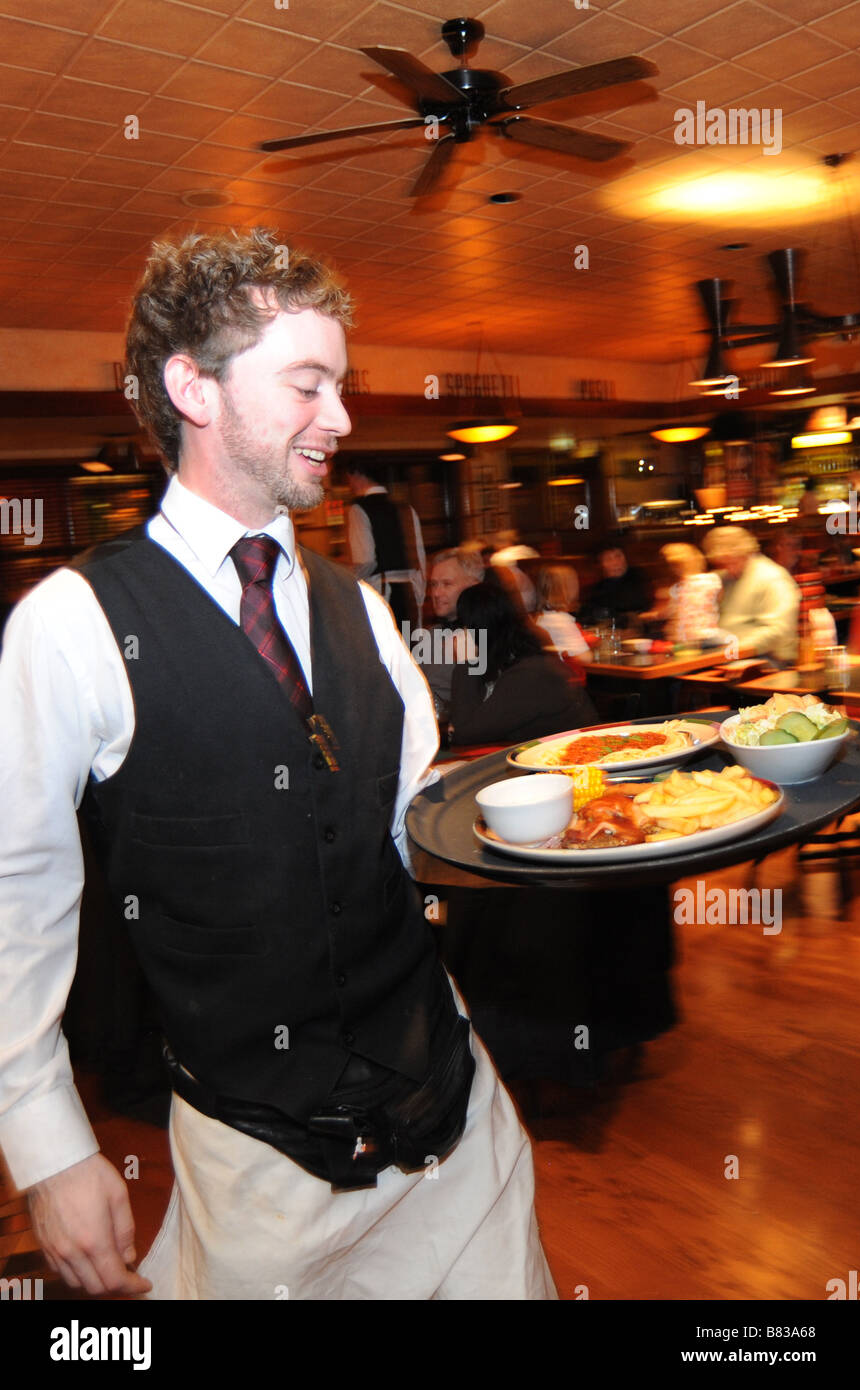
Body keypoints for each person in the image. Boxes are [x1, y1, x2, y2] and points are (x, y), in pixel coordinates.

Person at [0, 227, 555, 1301]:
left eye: (340, 384)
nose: (340, 417)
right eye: (307, 383)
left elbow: (420, 830)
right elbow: (13, 897)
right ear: (192, 388)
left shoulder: (359, 609)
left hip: (459, 1120)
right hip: (261, 1170)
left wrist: (580, 827)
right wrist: (46, 1139)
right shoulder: (70, 625)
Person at [449, 581, 597, 746]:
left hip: (575, 763)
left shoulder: (529, 675)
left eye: (464, 627)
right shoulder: (523, 661)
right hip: (557, 757)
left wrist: (468, 663)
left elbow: (465, 735)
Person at [343, 459, 425, 628]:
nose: (349, 483)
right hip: (410, 589)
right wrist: (420, 595)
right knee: (409, 646)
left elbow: (365, 561)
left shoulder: (358, 509)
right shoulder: (406, 508)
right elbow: (419, 555)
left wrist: (346, 581)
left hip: (382, 591)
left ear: (357, 474)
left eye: (349, 478)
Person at [702, 526, 801, 665]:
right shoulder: (725, 578)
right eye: (721, 563)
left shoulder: (772, 577)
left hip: (769, 661)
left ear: (746, 553)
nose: (727, 568)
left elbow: (778, 631)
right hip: (731, 657)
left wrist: (733, 650)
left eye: (731, 561)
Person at [415, 547, 484, 724]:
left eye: (447, 584)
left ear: (473, 588)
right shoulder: (430, 634)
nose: (436, 593)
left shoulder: (483, 635)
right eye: (434, 584)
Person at [660, 542, 722, 645]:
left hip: (683, 638)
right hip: (707, 634)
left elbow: (669, 613)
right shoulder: (712, 580)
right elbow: (720, 600)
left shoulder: (677, 588)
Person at [579, 541, 651, 625]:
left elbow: (639, 607)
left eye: (618, 556)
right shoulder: (595, 589)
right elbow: (586, 617)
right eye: (608, 559)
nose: (616, 563)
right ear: (601, 564)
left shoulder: (638, 578)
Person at [532, 564, 592, 661]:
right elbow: (586, 658)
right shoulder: (561, 621)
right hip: (558, 674)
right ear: (566, 589)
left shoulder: (541, 617)